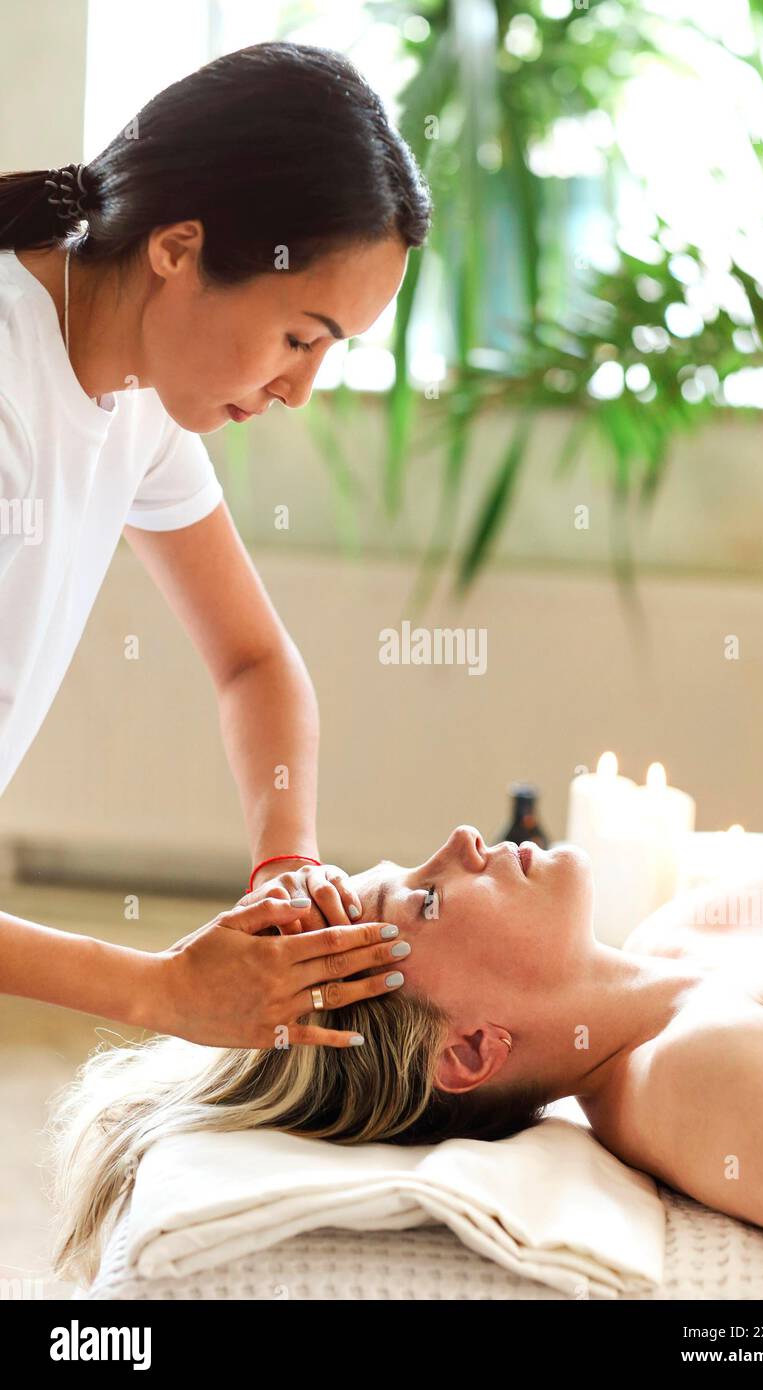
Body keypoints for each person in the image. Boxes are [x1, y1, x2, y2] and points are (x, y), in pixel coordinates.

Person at [0, 41, 431, 1044]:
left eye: (329, 352)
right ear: (176, 249)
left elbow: (253, 661)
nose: (299, 390)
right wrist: (159, 989)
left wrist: (288, 860)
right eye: (298, 335)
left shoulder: (139, 393)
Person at [48, 819, 763, 1285]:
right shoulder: (690, 1075)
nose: (463, 838)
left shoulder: (679, 931)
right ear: (471, 1050)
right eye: (428, 900)